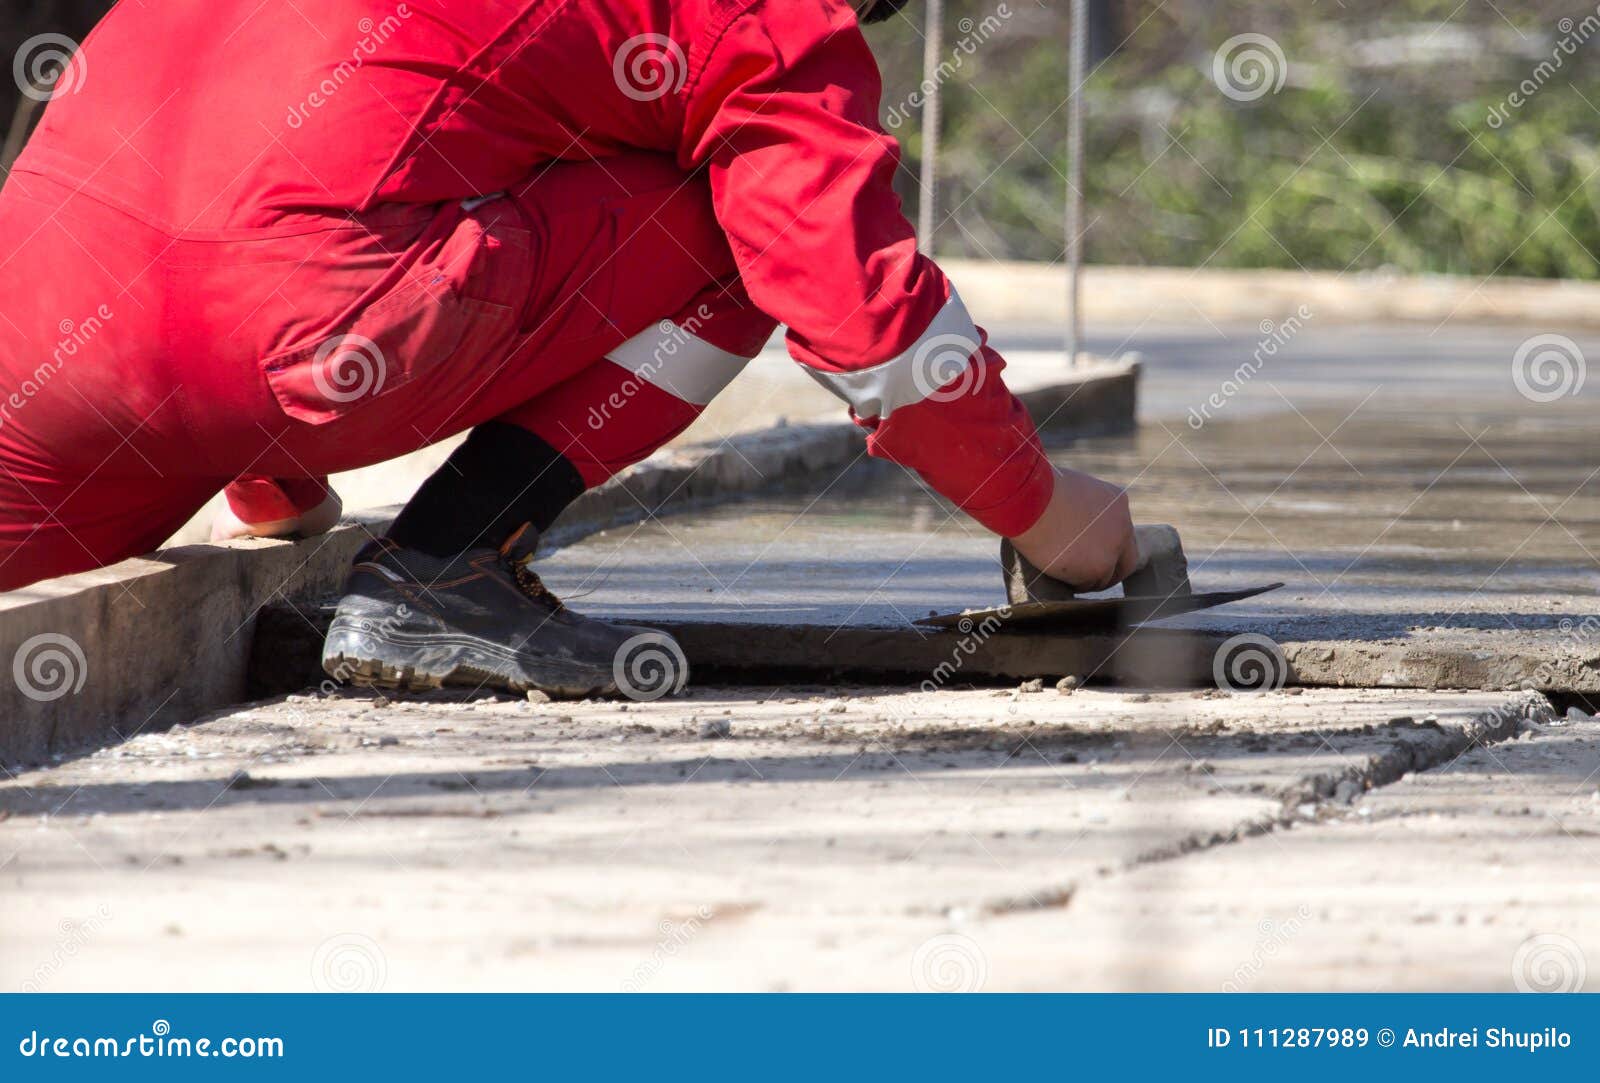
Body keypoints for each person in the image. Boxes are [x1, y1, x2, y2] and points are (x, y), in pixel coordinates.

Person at [0, 0, 1138, 695]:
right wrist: (1049, 516)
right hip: (300, 332)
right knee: (743, 227)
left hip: (41, 337)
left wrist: (266, 478)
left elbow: (243, 156)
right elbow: (866, 320)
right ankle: (444, 569)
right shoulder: (760, 13)